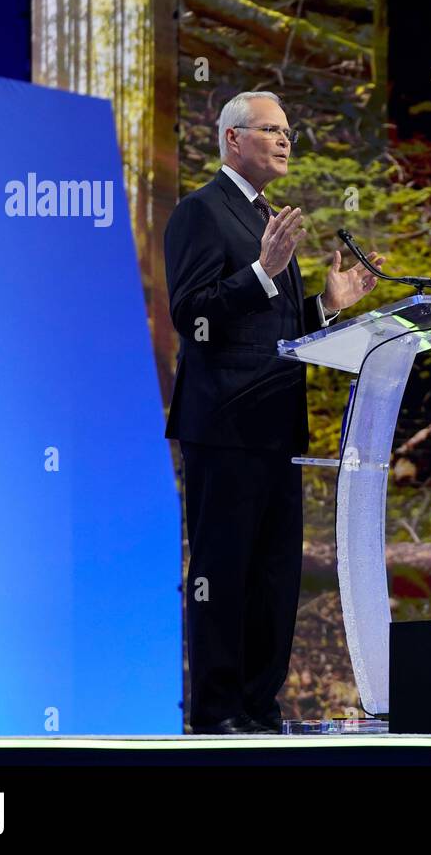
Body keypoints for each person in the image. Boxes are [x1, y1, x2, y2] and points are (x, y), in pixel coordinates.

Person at [164, 91, 384, 733]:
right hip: (225, 425)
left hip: (277, 427)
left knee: (275, 577)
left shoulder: (271, 219)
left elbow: (275, 333)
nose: (286, 140)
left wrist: (327, 306)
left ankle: (260, 710)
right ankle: (217, 714)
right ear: (233, 139)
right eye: (271, 130)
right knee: (224, 573)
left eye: (289, 131)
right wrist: (262, 271)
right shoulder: (201, 211)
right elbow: (192, 315)